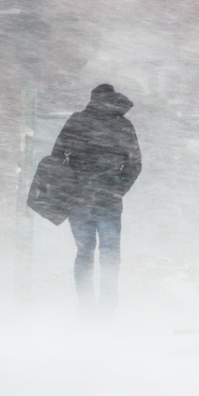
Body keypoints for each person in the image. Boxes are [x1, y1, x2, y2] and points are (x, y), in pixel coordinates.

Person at [52, 83, 141, 315]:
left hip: (78, 200)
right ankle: (108, 305)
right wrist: (117, 188)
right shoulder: (123, 125)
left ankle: (85, 305)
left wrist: (70, 184)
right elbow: (134, 164)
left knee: (84, 252)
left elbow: (56, 158)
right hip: (108, 201)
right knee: (110, 254)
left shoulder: (76, 121)